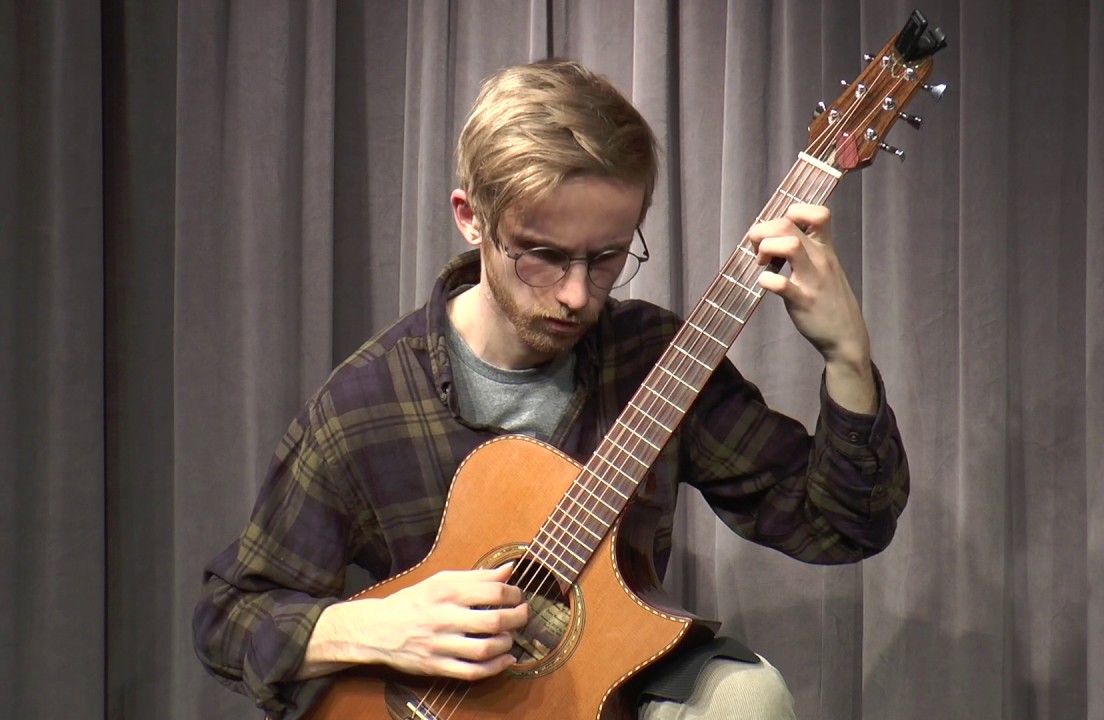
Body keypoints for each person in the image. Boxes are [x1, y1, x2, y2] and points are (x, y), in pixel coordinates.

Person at [193, 58, 909, 720]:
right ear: (470, 218)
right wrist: (370, 626)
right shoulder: (367, 403)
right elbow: (229, 617)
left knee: (744, 700)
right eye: (543, 256)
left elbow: (841, 525)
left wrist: (847, 355)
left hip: (609, 697)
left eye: (606, 258)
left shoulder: (654, 362)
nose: (576, 295)